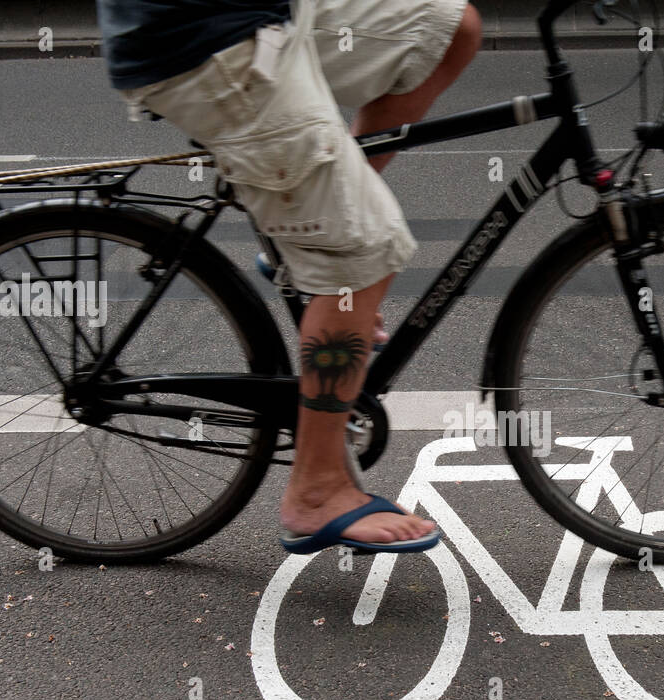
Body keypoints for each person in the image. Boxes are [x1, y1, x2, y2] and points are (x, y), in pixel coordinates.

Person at [95, 0, 482, 553]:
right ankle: (317, 491)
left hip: (261, 12)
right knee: (365, 253)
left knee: (449, 28)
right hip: (208, 38)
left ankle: (308, 241)